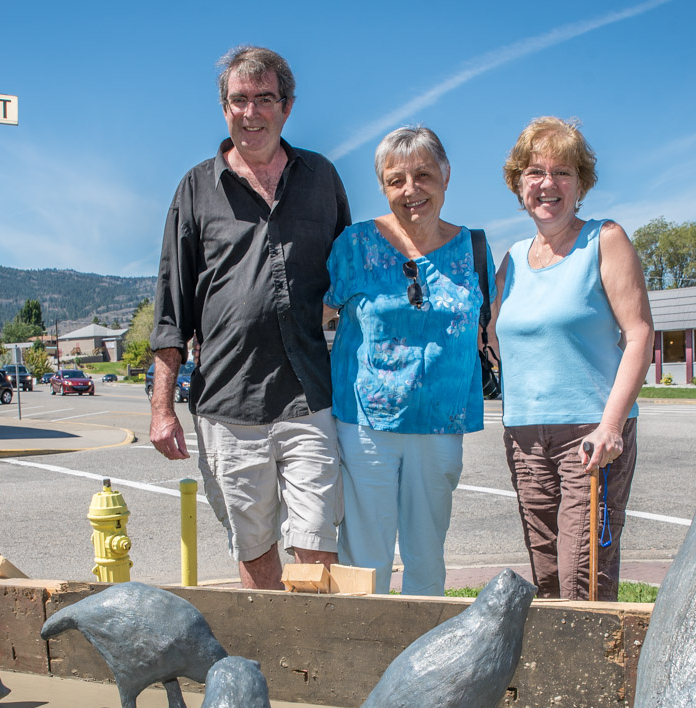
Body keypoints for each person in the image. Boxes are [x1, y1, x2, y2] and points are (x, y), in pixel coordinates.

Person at [150, 46, 351, 590]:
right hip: (227, 405)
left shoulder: (321, 178)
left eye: (265, 98)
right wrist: (161, 409)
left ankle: (314, 662)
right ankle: (271, 669)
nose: (251, 112)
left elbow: (352, 283)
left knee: (316, 547)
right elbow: (172, 310)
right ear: (224, 109)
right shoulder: (195, 189)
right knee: (255, 549)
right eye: (239, 100)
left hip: (310, 395)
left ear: (287, 107)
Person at [323, 126, 493, 595]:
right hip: (364, 423)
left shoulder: (474, 248)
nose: (411, 190)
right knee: (364, 555)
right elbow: (310, 315)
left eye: (423, 174)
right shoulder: (354, 245)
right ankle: (363, 653)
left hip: (442, 424)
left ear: (446, 175)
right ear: (382, 186)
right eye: (396, 180)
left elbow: (494, 327)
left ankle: (422, 660)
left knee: (426, 556)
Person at [491, 117, 654, 600]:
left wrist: (611, 425)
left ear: (580, 184)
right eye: (534, 172)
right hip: (524, 436)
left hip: (591, 436)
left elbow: (640, 334)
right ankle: (556, 674)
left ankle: (598, 676)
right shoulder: (512, 260)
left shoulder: (605, 239)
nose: (547, 184)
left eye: (562, 172)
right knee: (544, 578)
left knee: (583, 579)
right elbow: (498, 341)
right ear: (519, 185)